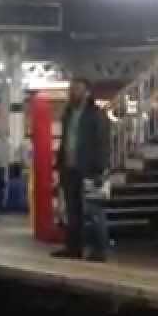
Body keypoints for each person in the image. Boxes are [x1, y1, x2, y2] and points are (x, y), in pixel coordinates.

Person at [54, 77, 111, 261]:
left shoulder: (96, 114)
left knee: (94, 210)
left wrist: (100, 168)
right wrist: (59, 163)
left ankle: (100, 250)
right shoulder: (68, 113)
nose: (72, 92)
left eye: (77, 89)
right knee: (73, 211)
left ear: (87, 92)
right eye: (71, 89)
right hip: (69, 168)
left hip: (89, 169)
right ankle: (73, 249)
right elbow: (65, 141)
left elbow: (102, 142)